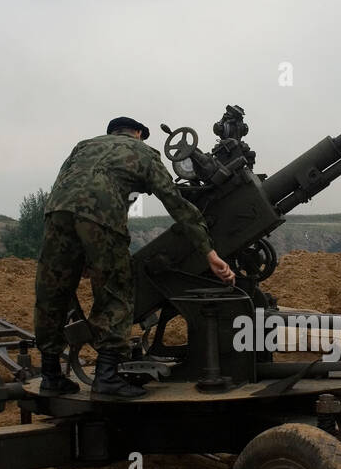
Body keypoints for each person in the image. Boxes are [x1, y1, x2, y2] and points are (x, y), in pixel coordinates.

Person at [35, 115, 235, 398]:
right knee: (115, 290)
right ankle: (106, 376)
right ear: (138, 133)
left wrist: (80, 251)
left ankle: (50, 375)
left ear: (112, 133)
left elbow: (69, 187)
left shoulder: (83, 147)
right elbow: (175, 202)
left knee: (52, 292)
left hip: (56, 212)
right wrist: (209, 252)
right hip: (101, 215)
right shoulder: (143, 152)